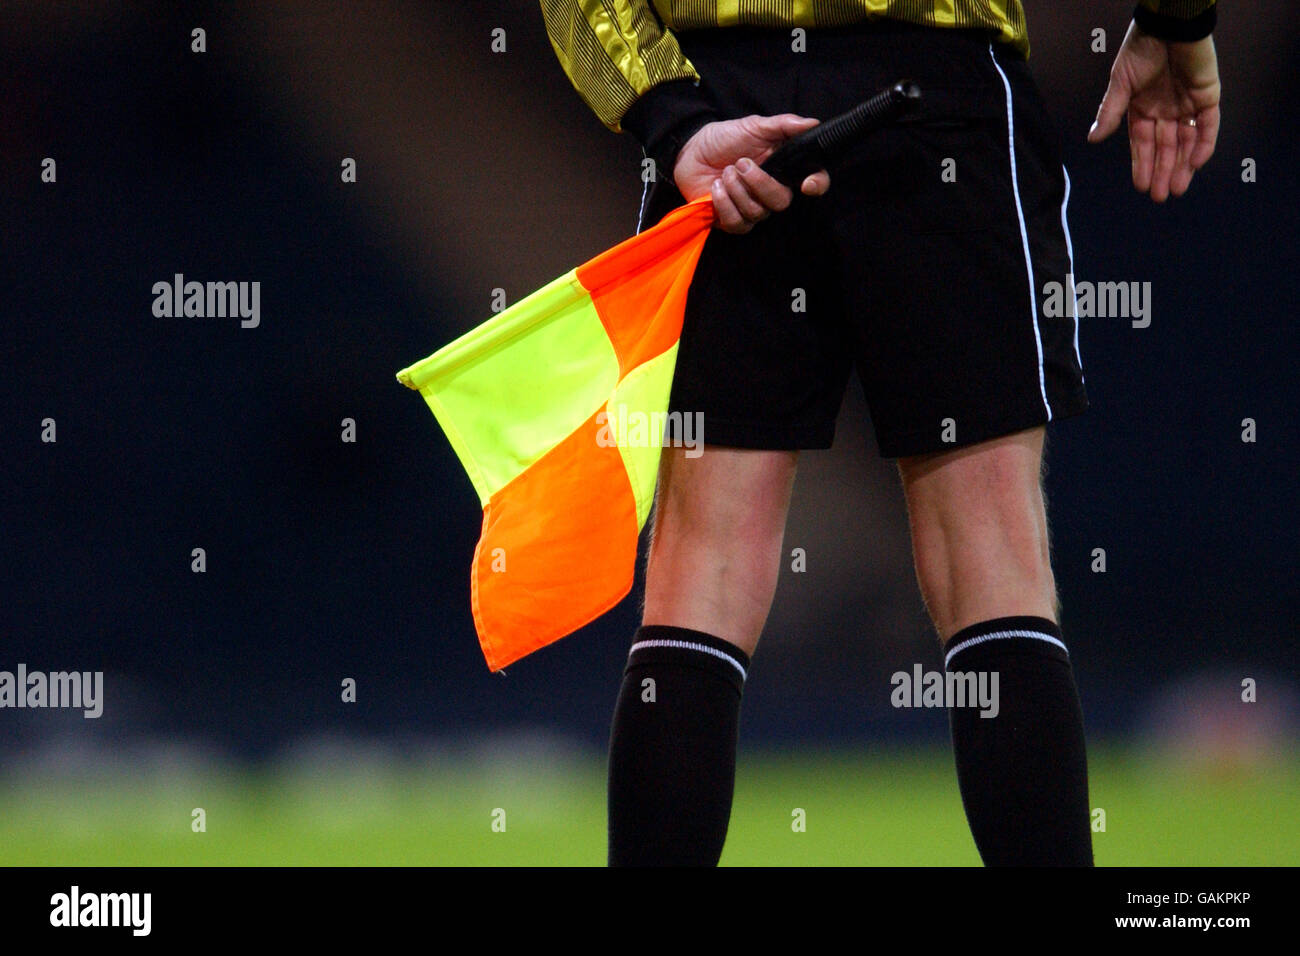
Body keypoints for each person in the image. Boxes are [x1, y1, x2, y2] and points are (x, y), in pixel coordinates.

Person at [538, 1, 1221, 866]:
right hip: (938, 97)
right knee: (993, 555)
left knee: (700, 578)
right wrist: (1175, 18)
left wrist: (671, 120)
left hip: (727, 112)